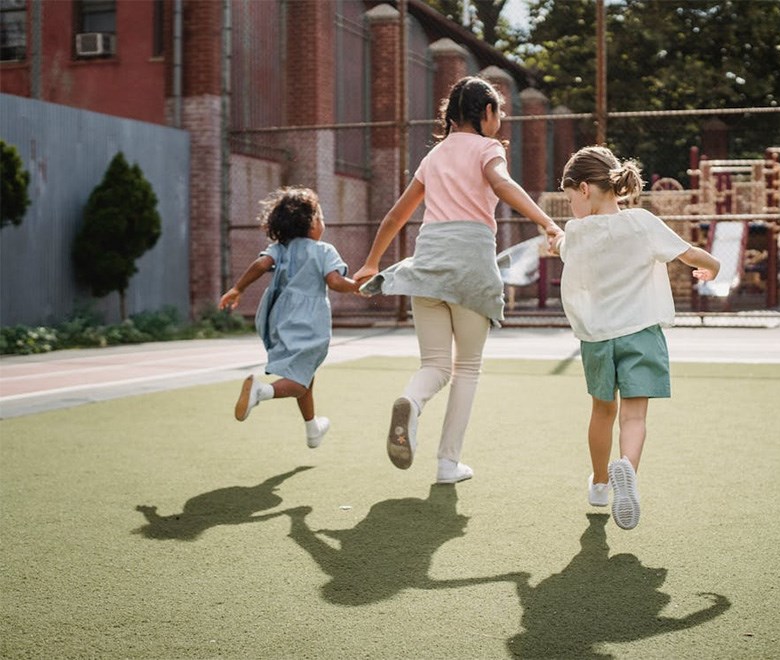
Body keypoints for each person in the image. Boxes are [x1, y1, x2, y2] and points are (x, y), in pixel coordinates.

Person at [353, 76, 563, 485]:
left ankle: (411, 401)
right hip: (468, 271)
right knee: (467, 368)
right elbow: (502, 184)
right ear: (486, 114)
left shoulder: (433, 158)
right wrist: (547, 223)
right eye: (499, 112)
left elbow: (397, 215)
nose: (500, 120)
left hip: (427, 268)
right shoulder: (487, 149)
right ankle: (448, 465)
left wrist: (371, 262)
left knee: (434, 364)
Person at [551, 146, 720, 530]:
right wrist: (713, 264)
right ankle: (627, 468)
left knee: (602, 411)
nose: (569, 207)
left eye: (568, 198)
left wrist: (554, 241)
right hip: (642, 332)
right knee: (634, 415)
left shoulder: (576, 232)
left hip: (598, 338)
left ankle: (599, 484)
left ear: (583, 189)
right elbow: (689, 254)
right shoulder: (642, 223)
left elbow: (562, 246)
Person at [219, 186, 359, 447]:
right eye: (321, 217)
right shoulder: (324, 250)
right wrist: (356, 286)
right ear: (312, 223)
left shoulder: (280, 248)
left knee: (303, 370)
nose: (323, 223)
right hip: (309, 321)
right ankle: (261, 392)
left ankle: (312, 427)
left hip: (279, 316)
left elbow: (260, 265)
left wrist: (238, 288)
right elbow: (335, 281)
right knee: (298, 379)